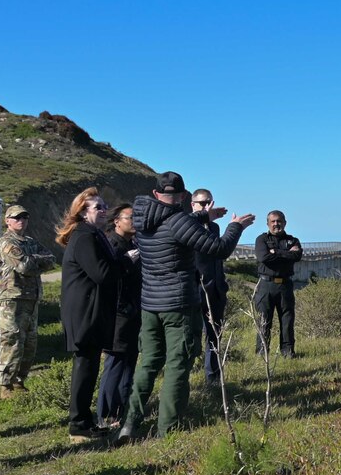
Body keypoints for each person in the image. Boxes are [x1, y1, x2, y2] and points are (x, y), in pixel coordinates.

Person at [115, 172, 253, 443]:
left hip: (150, 304)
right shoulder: (178, 220)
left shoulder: (142, 219)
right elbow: (219, 248)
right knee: (177, 364)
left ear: (155, 194)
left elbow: (173, 222)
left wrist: (205, 217)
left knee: (149, 364)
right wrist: (236, 226)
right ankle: (168, 430)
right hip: (178, 304)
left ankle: (129, 424)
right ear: (182, 197)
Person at [56, 188, 118, 443]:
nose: (104, 211)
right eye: (98, 207)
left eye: (104, 206)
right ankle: (79, 423)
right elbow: (101, 273)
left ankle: (84, 420)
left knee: (89, 365)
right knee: (85, 366)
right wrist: (124, 261)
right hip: (84, 312)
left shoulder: (91, 234)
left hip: (90, 310)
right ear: (83, 212)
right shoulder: (84, 236)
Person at [0, 203, 56, 397]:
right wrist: (36, 261)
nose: (21, 221)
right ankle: (6, 385)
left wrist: (33, 259)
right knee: (12, 340)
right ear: (7, 221)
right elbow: (24, 267)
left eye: (24, 217)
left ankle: (19, 381)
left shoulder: (29, 241)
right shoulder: (6, 243)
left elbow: (51, 259)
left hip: (31, 298)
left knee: (30, 342)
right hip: (12, 299)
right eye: (16, 217)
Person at [97, 202, 142, 429]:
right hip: (118, 313)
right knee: (115, 362)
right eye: (130, 218)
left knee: (129, 361)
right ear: (117, 221)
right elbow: (110, 277)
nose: (134, 222)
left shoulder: (133, 242)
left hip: (134, 311)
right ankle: (104, 414)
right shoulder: (112, 244)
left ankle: (120, 410)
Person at [191, 188, 230, 386]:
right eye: (202, 204)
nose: (207, 207)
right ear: (193, 206)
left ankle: (213, 377)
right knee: (191, 337)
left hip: (215, 289)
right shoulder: (188, 226)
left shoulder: (214, 229)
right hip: (195, 289)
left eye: (209, 202)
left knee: (214, 335)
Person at [254, 211, 303, 358]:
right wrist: (286, 253)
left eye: (279, 221)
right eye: (273, 221)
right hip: (266, 286)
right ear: (268, 223)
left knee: (287, 320)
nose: (276, 224)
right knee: (264, 320)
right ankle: (262, 353)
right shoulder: (261, 239)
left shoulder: (292, 240)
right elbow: (264, 257)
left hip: (285, 285)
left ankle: (288, 352)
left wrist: (275, 252)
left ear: (285, 223)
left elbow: (297, 256)